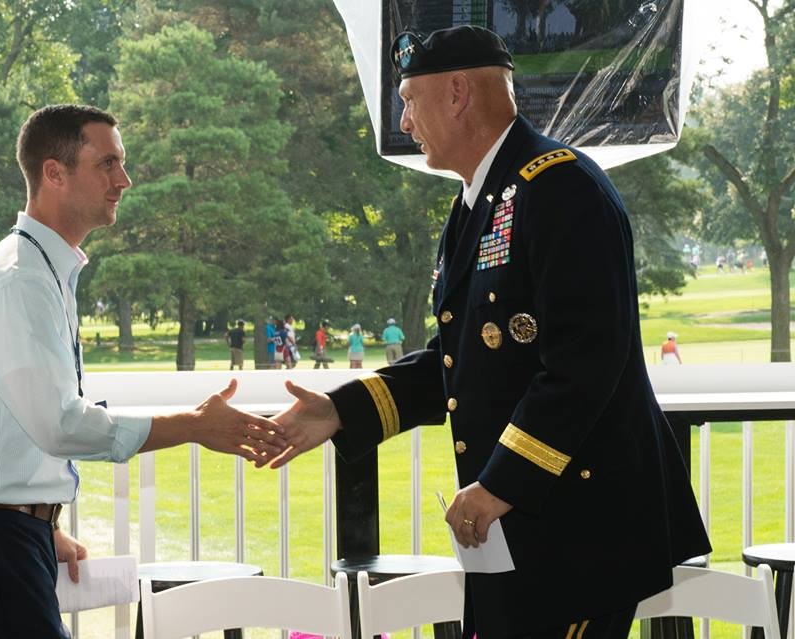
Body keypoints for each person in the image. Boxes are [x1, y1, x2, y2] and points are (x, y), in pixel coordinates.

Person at [268, 26, 710, 639]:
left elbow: (585, 363)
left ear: (456, 94)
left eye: (410, 101)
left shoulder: (560, 187)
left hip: (578, 534)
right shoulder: (483, 198)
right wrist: (342, 411)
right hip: (522, 530)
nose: (404, 121)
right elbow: (462, 357)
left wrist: (501, 483)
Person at [0, 105, 290, 639]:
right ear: (54, 173)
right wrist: (192, 425)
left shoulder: (40, 272)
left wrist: (41, 522)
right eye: (108, 164)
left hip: (3, 533)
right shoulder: (18, 281)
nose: (125, 180)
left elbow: (5, 428)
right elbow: (59, 424)